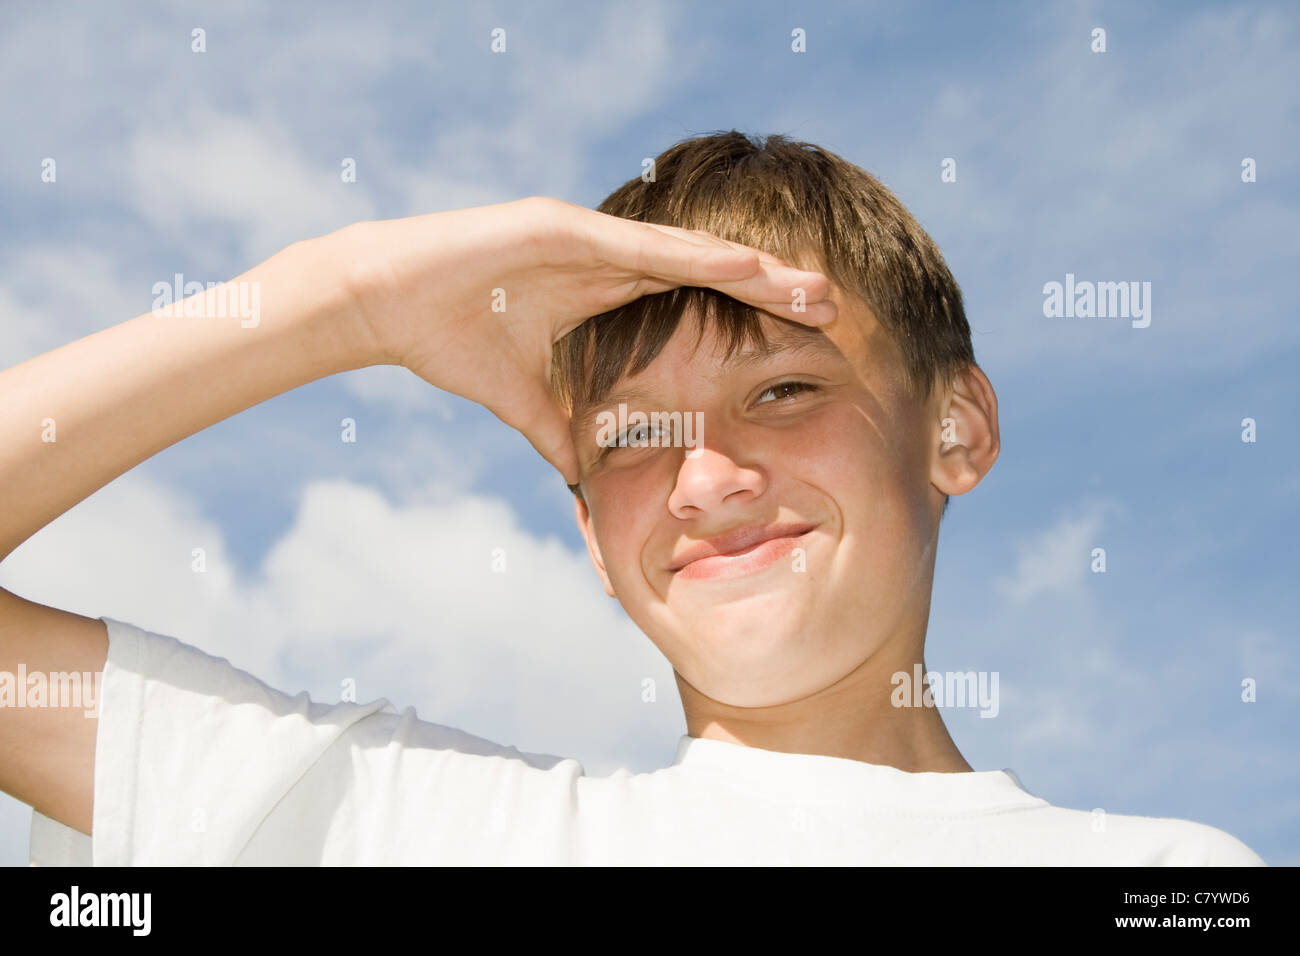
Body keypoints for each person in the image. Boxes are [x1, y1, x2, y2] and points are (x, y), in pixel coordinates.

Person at [0, 131, 1265, 865]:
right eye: (635, 437)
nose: (706, 479)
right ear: (591, 537)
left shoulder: (1169, 878)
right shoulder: (419, 829)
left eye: (782, 391)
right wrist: (348, 297)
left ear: (955, 427)